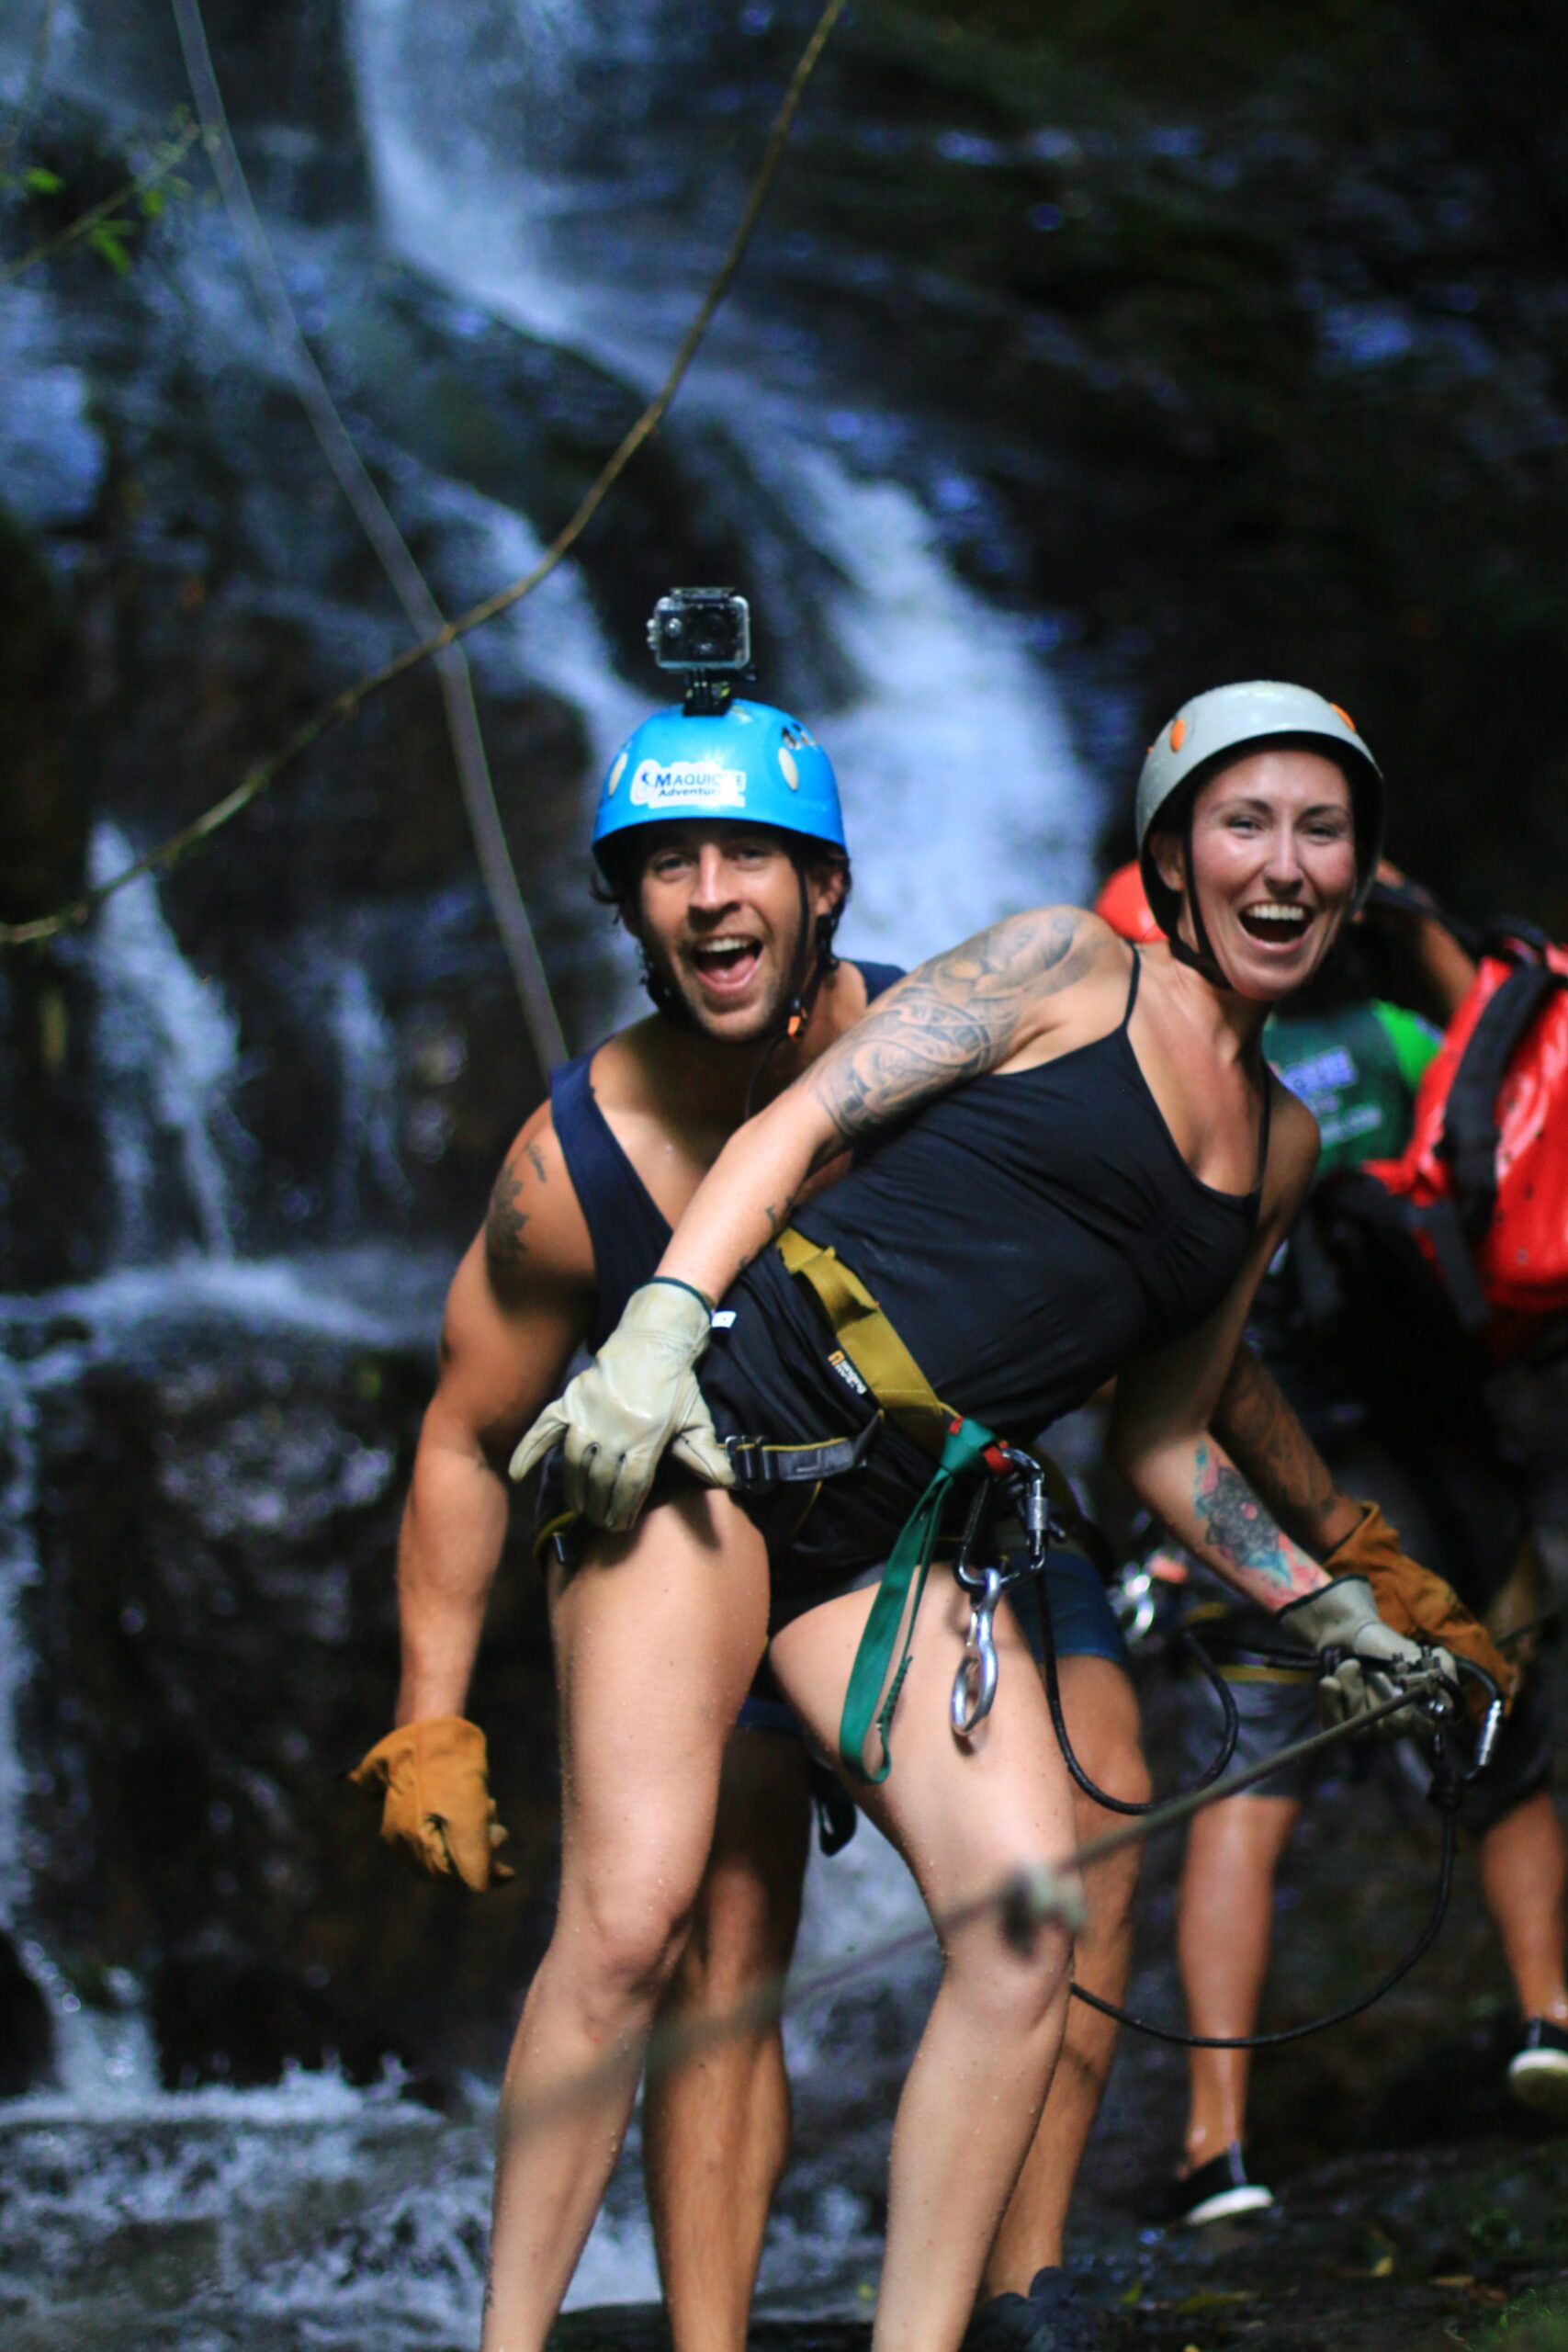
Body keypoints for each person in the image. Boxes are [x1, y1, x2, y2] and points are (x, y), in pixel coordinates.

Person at [495, 681, 1478, 2352]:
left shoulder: (1285, 1143)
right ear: (1172, 860)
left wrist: (1333, 1615)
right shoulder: (1061, 971)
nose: (1285, 864)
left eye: (1324, 831)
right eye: (1246, 824)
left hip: (908, 1526)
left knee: (1032, 1920)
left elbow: (1167, 1434)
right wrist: (657, 1328)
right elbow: (804, 1116)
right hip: (725, 1434)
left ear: (1361, 875)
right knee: (636, 1917)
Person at [353, 661, 1165, 2352]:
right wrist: (429, 1713)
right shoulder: (570, 1158)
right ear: (629, 910)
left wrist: (1318, 1553)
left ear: (827, 887)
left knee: (1068, 1860)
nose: (712, 895)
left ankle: (1013, 2302)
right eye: (669, 865)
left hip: (918, 1528)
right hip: (694, 1524)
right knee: (694, 1928)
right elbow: (459, 1431)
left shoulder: (950, 1063)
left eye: (749, 858)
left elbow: (1148, 1253)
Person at [1087, 863, 1568, 2225]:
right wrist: (1412, 907)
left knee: (1249, 1794)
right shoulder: (1387, 1045)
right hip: (1441, 1460)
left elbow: (1137, 1356)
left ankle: (1215, 2145)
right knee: (1503, 1738)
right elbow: (1499, 1065)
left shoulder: (1155, 1098)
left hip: (1263, 1483)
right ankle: (1551, 2015)